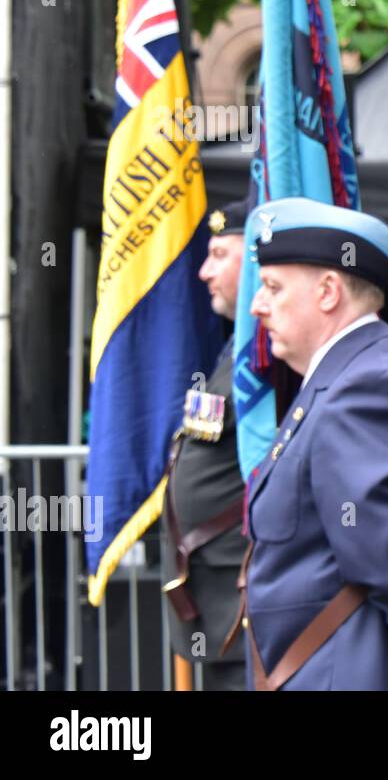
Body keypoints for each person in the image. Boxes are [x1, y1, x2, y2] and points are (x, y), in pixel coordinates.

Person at [239, 197, 388, 690]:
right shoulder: (341, 375)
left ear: (329, 291)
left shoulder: (371, 382)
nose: (256, 306)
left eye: (272, 288)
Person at [160, 200, 250, 690]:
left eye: (219, 254)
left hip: (244, 597)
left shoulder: (268, 359)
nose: (203, 271)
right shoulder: (233, 350)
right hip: (215, 596)